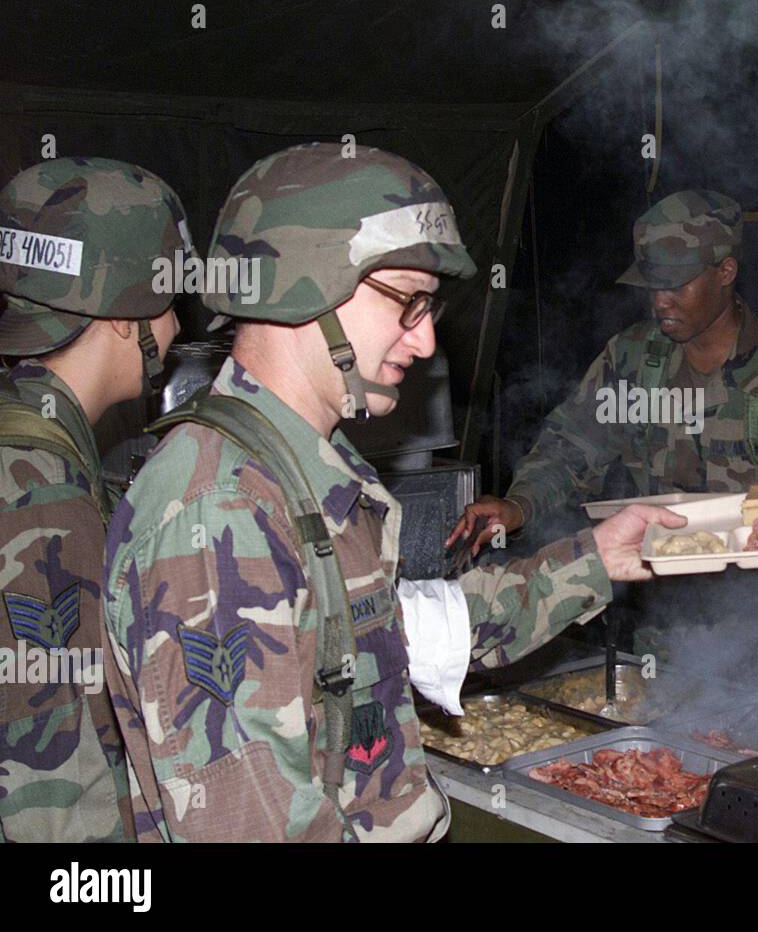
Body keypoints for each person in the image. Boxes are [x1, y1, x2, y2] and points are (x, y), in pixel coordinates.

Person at [100, 142, 685, 842]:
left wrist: (594, 559)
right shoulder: (219, 514)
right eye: (408, 302)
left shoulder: (295, 466)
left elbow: (397, 630)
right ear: (304, 288)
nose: (428, 341)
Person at [449, 189, 758, 555]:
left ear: (725, 272)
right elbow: (570, 451)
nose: (660, 302)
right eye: (653, 285)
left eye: (677, 284)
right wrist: (519, 506)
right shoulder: (632, 359)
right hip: (661, 604)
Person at [0, 157, 187, 841]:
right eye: (168, 300)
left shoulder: (34, 444)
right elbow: (56, 803)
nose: (174, 327)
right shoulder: (43, 499)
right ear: (123, 315)